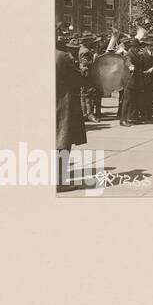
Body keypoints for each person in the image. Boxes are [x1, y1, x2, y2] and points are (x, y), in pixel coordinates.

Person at [54, 37, 87, 191]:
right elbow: (78, 79)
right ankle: (59, 182)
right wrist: (83, 70)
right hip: (63, 103)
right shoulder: (62, 56)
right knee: (62, 142)